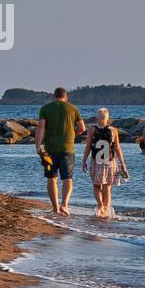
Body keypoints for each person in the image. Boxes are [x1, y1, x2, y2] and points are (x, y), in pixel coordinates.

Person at [35, 87, 85, 216]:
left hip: (49, 150)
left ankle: (55, 208)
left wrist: (38, 146)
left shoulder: (45, 108)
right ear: (66, 96)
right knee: (67, 178)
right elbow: (82, 128)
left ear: (54, 96)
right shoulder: (73, 108)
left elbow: (41, 128)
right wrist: (72, 135)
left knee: (51, 178)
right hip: (67, 149)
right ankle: (65, 205)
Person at [82, 107, 130, 218]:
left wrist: (84, 161)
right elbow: (118, 148)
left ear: (97, 118)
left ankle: (100, 205)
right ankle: (105, 212)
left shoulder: (92, 130)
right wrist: (122, 164)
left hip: (96, 162)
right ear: (108, 118)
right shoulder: (114, 131)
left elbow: (88, 146)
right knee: (107, 188)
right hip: (110, 162)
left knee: (96, 186)